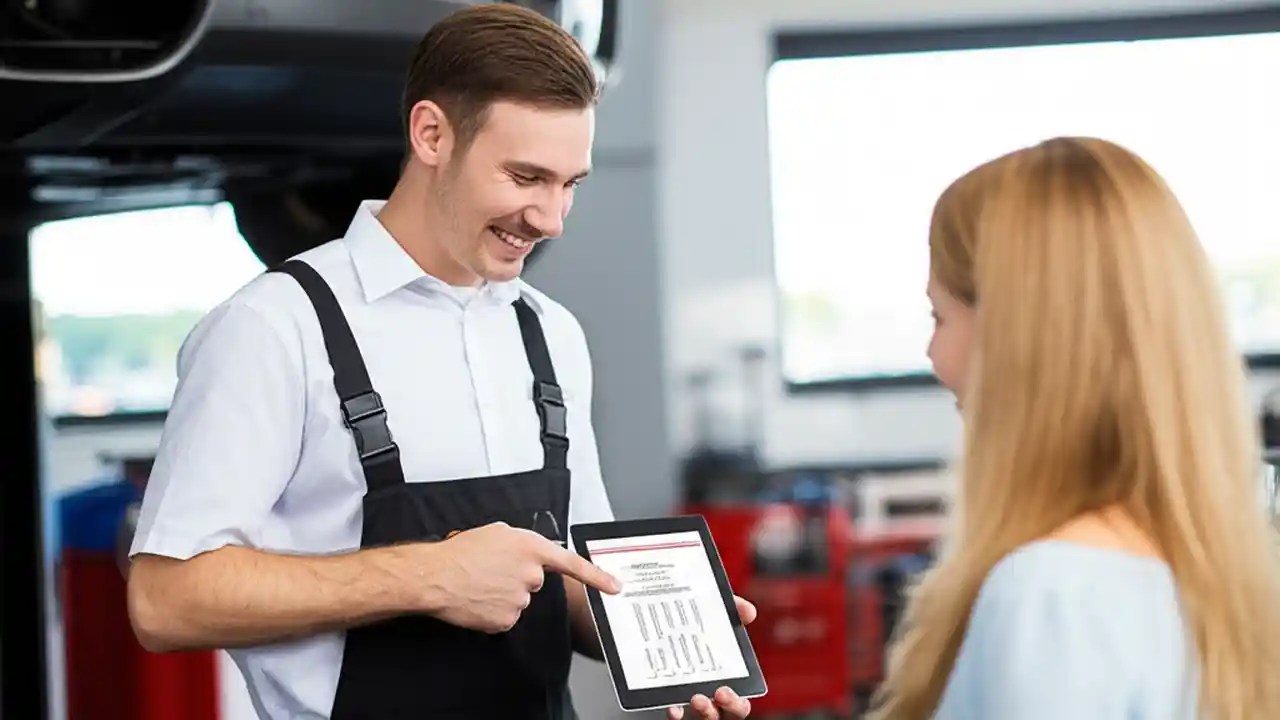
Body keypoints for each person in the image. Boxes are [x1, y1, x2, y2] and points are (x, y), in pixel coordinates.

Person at [123, 5, 754, 719]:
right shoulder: (273, 329)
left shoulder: (550, 333)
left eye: (570, 183)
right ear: (431, 135)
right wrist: (427, 576)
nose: (551, 219)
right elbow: (165, 600)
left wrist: (669, 643)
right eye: (525, 177)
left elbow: (572, 574)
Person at [869, 137, 1280, 720]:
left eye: (940, 316)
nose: (935, 356)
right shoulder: (1228, 582)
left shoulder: (1049, 596)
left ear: (1016, 338)